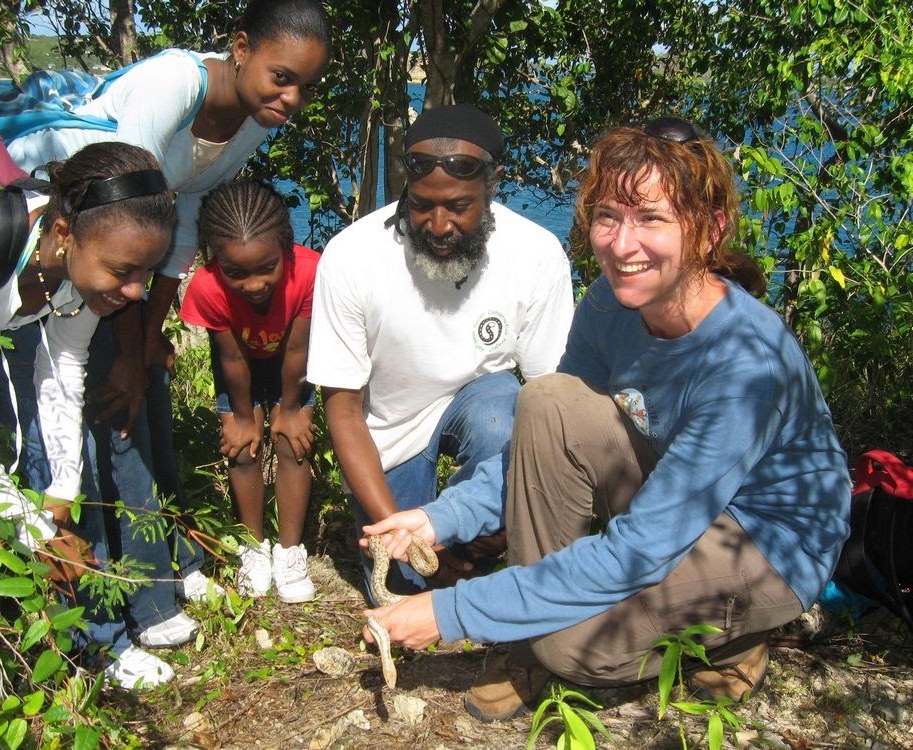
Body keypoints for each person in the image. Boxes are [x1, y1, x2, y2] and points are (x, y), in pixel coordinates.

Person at [360, 117, 852, 720]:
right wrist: (439, 520)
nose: (622, 245)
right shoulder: (612, 303)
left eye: (652, 219)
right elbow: (546, 442)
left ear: (709, 230)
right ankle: (528, 642)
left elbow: (637, 550)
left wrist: (449, 612)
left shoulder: (746, 365)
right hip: (673, 497)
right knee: (546, 400)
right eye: (608, 216)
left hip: (762, 540)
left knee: (569, 645)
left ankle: (735, 637)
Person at [0, 0, 331, 641]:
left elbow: (180, 223)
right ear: (241, 46)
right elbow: (131, 212)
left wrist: (146, 342)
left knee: (146, 388)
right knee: (92, 406)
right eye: (283, 77)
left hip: (112, 254)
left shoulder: (256, 120)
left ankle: (163, 556)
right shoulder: (174, 83)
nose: (293, 98)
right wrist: (126, 351)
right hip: (51, 239)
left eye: (306, 87)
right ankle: (96, 599)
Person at [0, 140, 180, 689]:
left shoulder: (81, 274)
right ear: (64, 234)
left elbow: (61, 369)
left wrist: (62, 487)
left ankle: (70, 649)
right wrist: (23, 518)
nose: (134, 292)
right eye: (123, 271)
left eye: (147, 273)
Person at [307, 103, 574, 600]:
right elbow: (342, 410)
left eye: (457, 206)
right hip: (389, 435)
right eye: (422, 204)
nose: (438, 223)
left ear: (491, 189)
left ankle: (475, 549)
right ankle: (440, 549)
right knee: (407, 587)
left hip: (479, 407)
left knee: (505, 410)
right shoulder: (351, 257)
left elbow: (549, 398)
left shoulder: (535, 254)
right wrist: (397, 532)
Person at [180, 179, 320, 602]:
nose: (254, 284)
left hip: (290, 366)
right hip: (238, 363)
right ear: (213, 260)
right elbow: (231, 358)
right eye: (236, 273)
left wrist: (291, 408)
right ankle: (253, 546)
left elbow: (298, 347)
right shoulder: (207, 288)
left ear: (285, 249)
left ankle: (291, 551)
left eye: (266, 268)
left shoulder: (310, 271)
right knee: (242, 448)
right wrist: (243, 418)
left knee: (292, 442)